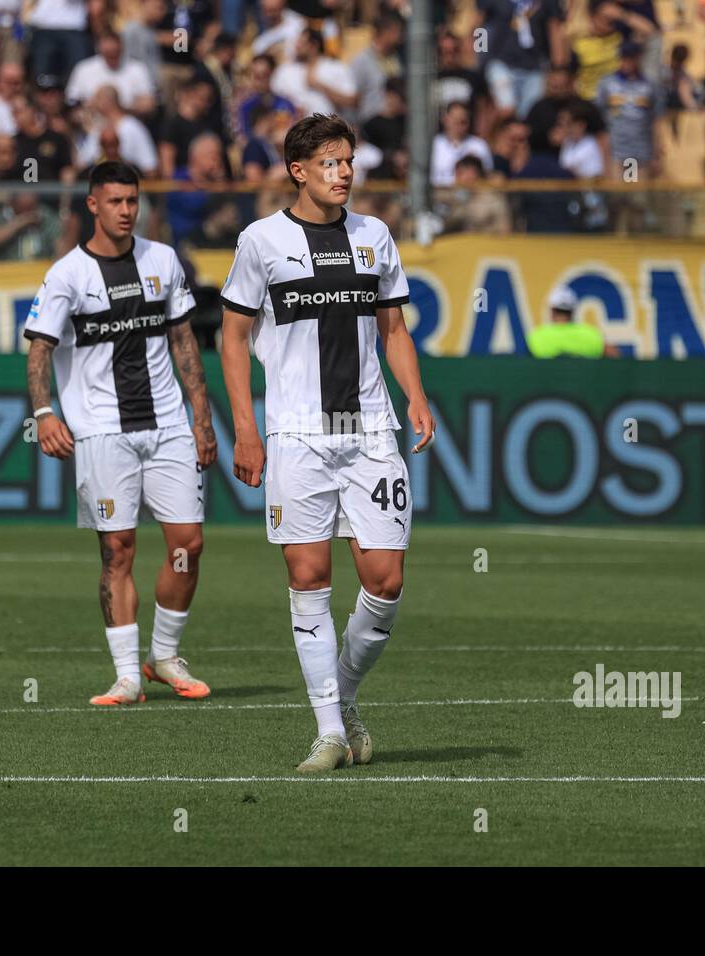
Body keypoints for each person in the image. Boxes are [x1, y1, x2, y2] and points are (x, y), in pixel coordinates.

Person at [218, 113, 436, 772]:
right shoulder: (261, 242)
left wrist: (416, 395)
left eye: (349, 161)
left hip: (370, 431)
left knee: (386, 580)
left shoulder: (375, 236)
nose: (344, 173)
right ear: (299, 170)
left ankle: (339, 699)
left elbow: (392, 328)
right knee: (308, 576)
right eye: (331, 163)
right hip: (295, 434)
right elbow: (231, 337)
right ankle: (330, 732)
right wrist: (245, 429)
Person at [24, 160, 217, 706]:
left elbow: (183, 341)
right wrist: (44, 414)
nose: (126, 211)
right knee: (118, 550)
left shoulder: (162, 260)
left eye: (132, 201)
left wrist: (201, 418)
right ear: (93, 205)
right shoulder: (67, 274)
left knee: (188, 545)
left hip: (168, 427)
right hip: (102, 432)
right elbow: (39, 349)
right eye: (115, 202)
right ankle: (127, 675)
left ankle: (165, 655)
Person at [527, 286, 616, 356]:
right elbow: (615, 358)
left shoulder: (537, 336)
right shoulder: (592, 334)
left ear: (552, 311)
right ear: (573, 311)